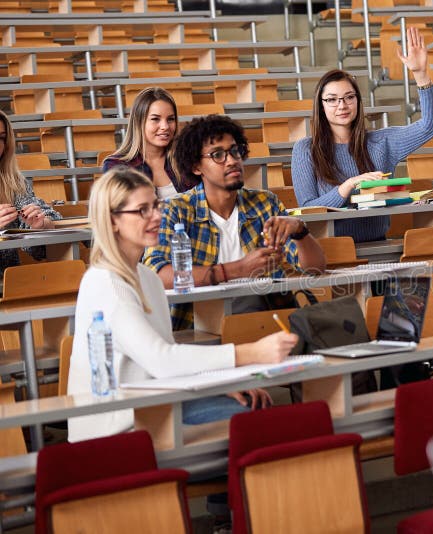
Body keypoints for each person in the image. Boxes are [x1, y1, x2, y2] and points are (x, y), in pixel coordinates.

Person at [68, 167, 298, 442]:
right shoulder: (105, 283)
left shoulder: (148, 279)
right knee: (256, 425)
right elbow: (162, 360)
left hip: (157, 404)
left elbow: (163, 364)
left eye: (156, 205)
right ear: (112, 220)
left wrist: (219, 383)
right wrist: (251, 353)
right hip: (118, 425)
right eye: (143, 210)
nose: (157, 216)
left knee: (257, 410)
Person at [143, 114, 326, 330]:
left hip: (266, 324)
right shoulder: (176, 210)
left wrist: (300, 231)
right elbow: (156, 276)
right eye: (218, 155)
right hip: (199, 330)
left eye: (235, 151)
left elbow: (313, 269)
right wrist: (237, 269)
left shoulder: (265, 204)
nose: (231, 160)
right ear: (196, 166)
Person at [291, 27, 433, 243]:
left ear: (357, 102)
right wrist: (349, 185)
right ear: (321, 106)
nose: (342, 105)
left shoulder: (381, 142)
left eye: (349, 97)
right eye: (332, 99)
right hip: (330, 249)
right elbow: (308, 210)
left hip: (379, 244)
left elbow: (432, 125)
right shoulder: (305, 149)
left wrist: (420, 74)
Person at [0, 110, 62, 274]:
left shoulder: (13, 183)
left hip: (8, 285)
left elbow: (50, 218)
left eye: (1, 138)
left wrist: (39, 225)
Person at [102, 87, 192, 199]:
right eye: (155, 119)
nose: (165, 127)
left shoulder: (186, 159)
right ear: (139, 122)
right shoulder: (117, 167)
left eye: (170, 119)